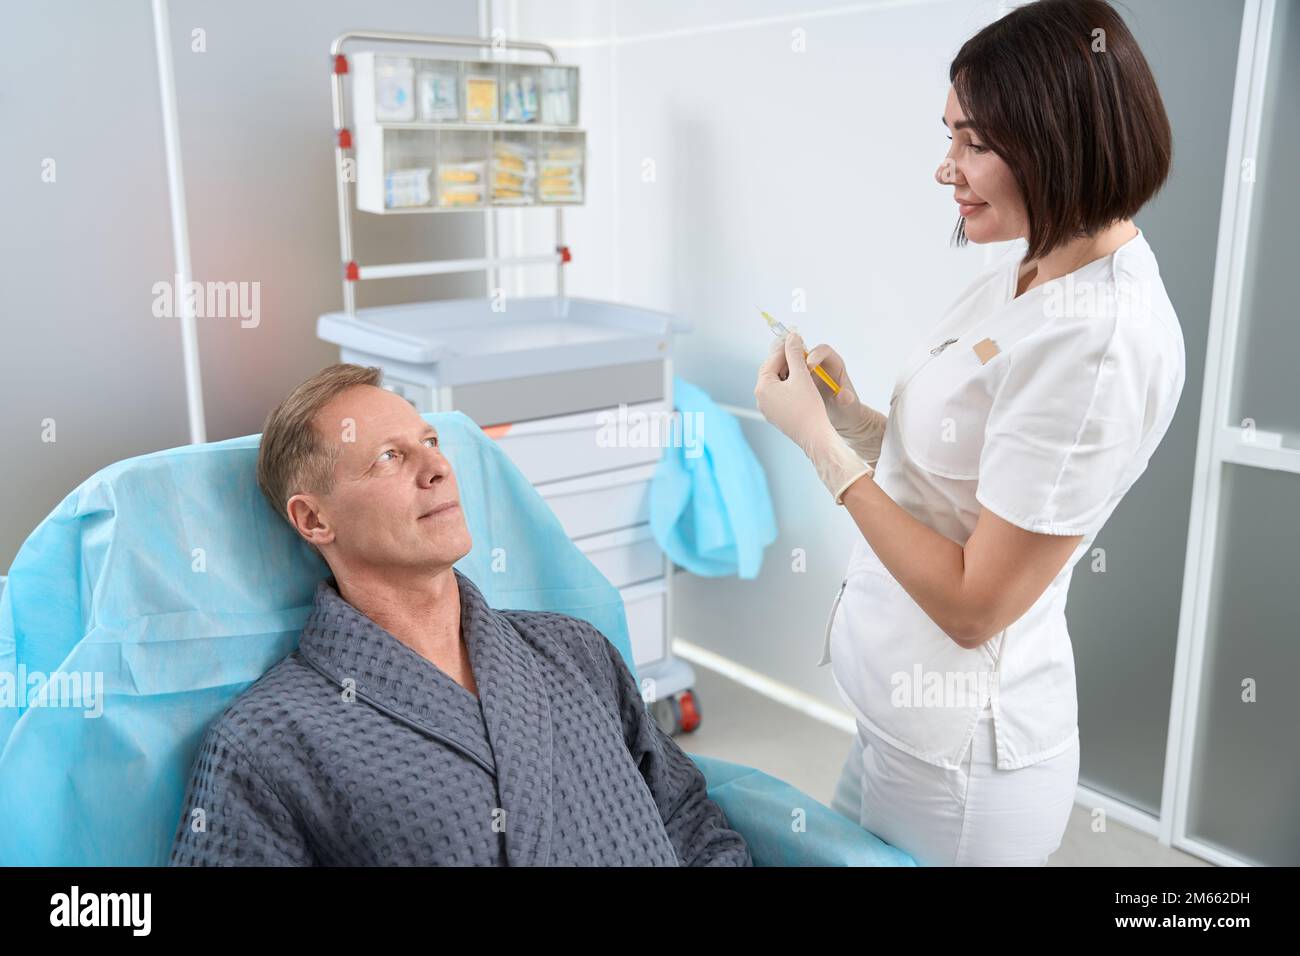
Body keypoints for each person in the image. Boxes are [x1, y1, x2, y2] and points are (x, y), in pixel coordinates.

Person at [753, 0, 1185, 865]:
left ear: (1063, 138)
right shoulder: (1027, 267)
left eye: (974, 143)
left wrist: (818, 446)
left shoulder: (1099, 340)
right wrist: (850, 416)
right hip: (890, 721)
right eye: (950, 135)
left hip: (959, 769)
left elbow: (972, 603)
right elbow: (954, 487)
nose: (945, 169)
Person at [170, 363, 750, 866]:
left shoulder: (575, 649)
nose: (437, 468)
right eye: (390, 457)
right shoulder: (266, 743)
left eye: (432, 442)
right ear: (315, 520)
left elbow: (688, 819)